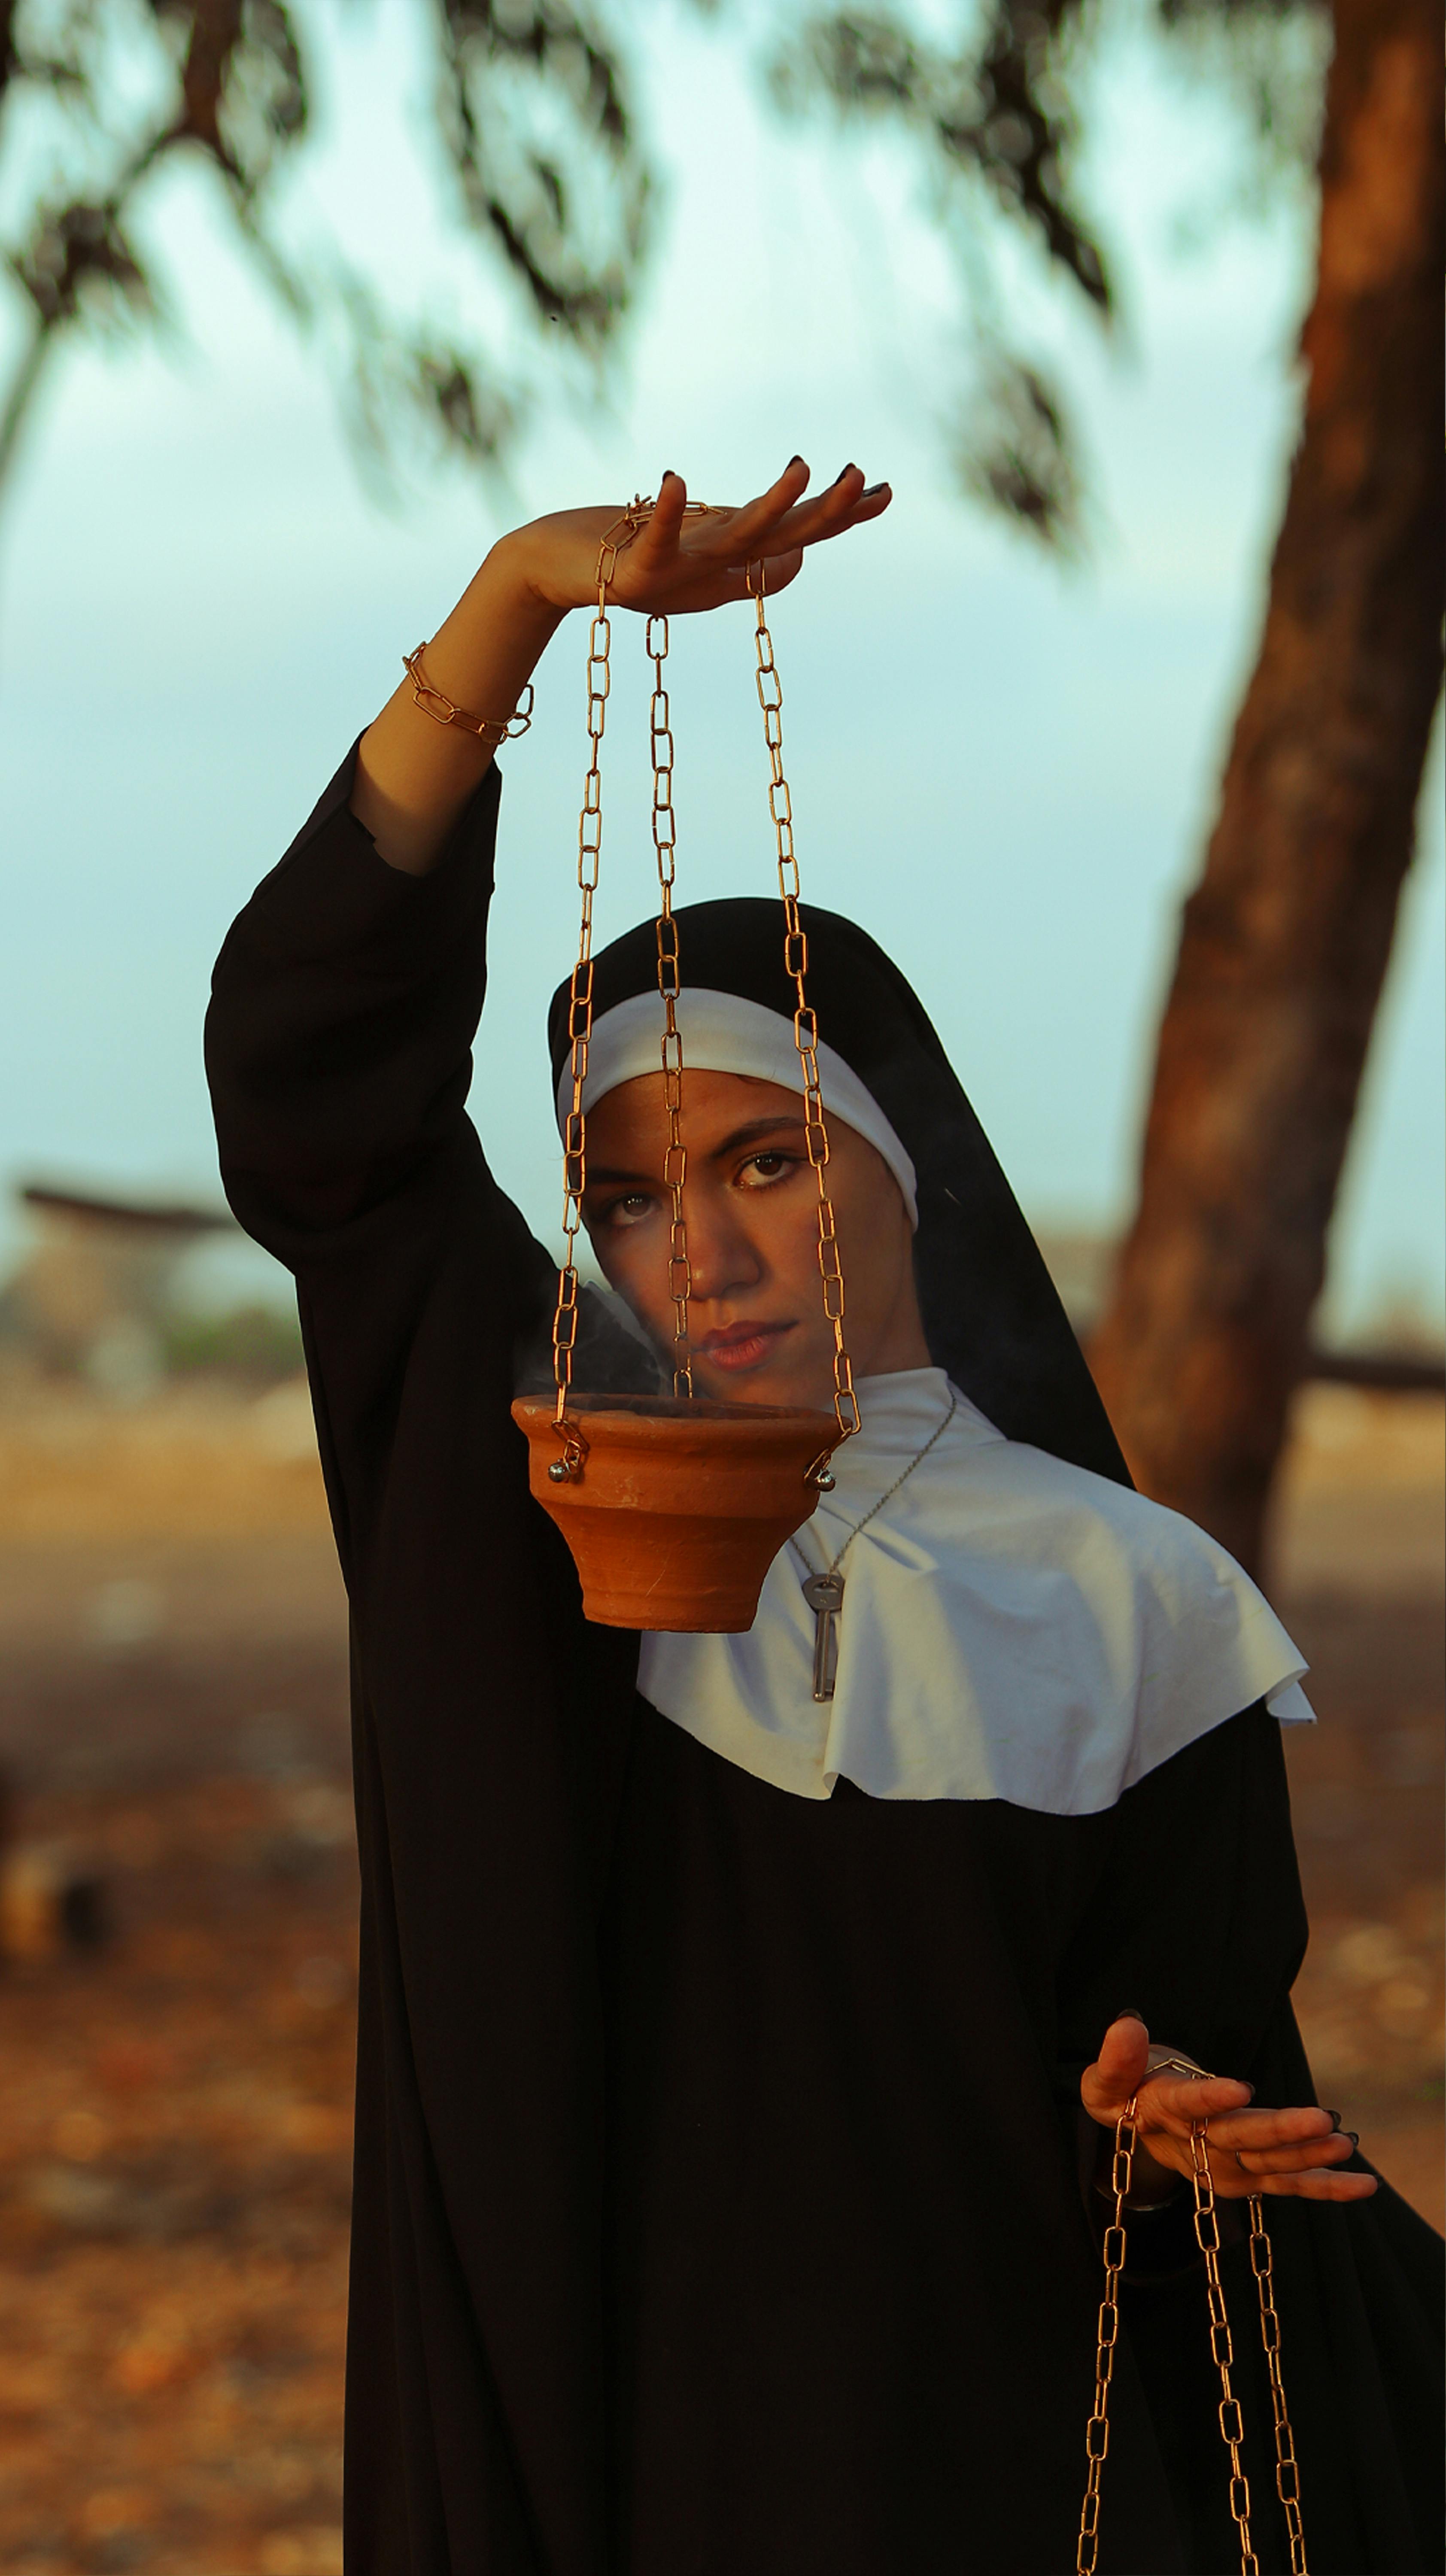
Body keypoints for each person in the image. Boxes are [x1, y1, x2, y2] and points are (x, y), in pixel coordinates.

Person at [206, 463, 1442, 2574]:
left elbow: (1192, 2092)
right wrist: (513, 608)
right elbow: (323, 1102)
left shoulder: (1132, 1606)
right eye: (624, 1196)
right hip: (595, 2470)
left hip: (981, 2471)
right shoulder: (539, 1507)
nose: (694, 1258)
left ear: (904, 1165)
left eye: (764, 1162)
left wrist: (1167, 2130)